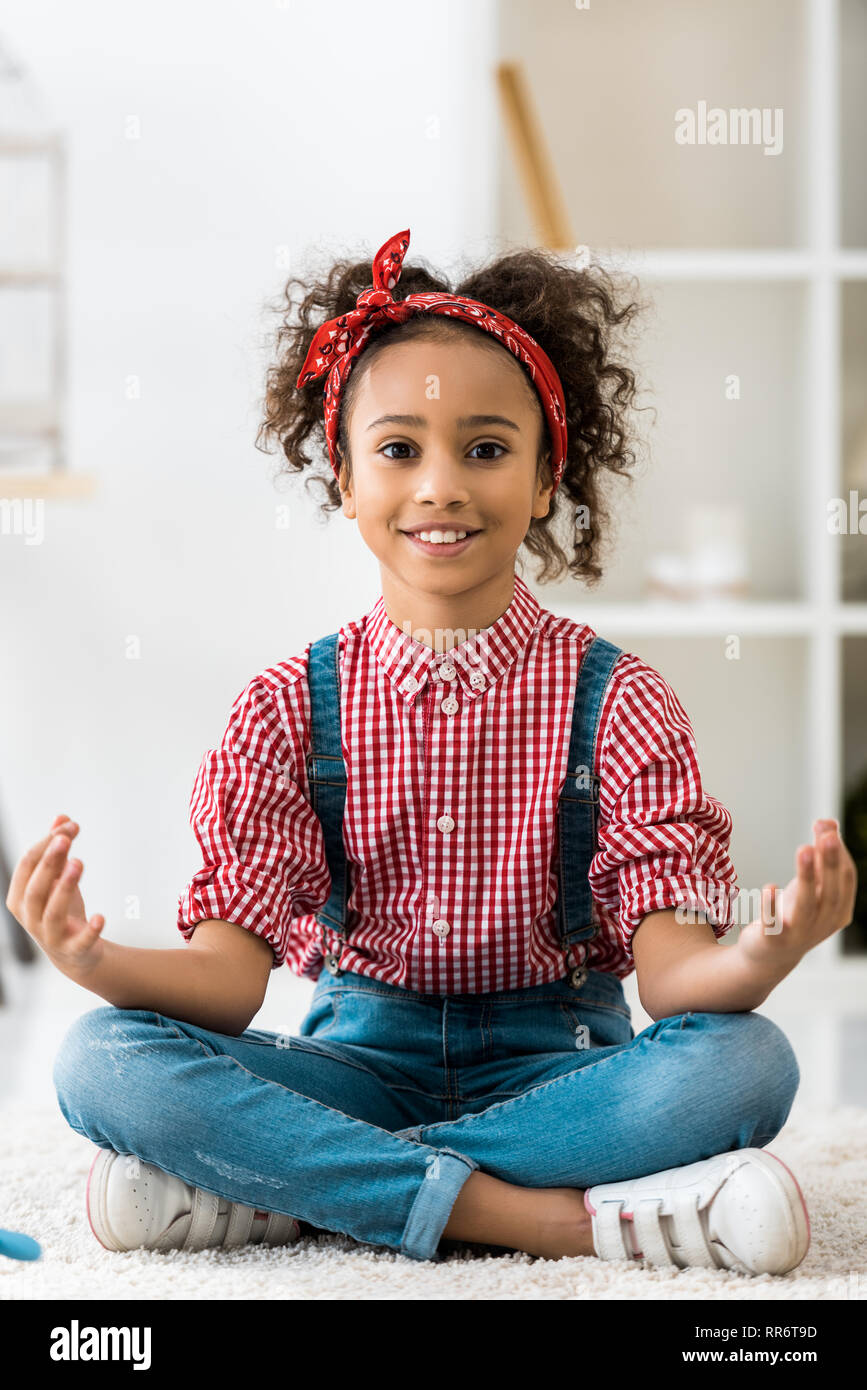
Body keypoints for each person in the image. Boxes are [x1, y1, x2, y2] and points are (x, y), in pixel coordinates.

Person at [9, 228, 856, 1272]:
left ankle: (302, 1187)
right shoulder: (286, 708)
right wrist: (95, 960)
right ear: (347, 480)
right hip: (357, 1059)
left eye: (488, 449)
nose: (441, 485)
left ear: (549, 478)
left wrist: (760, 953)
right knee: (103, 1060)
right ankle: (546, 1217)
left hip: (565, 1073)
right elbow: (230, 982)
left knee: (746, 1063)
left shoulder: (620, 700)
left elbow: (676, 980)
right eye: (400, 449)